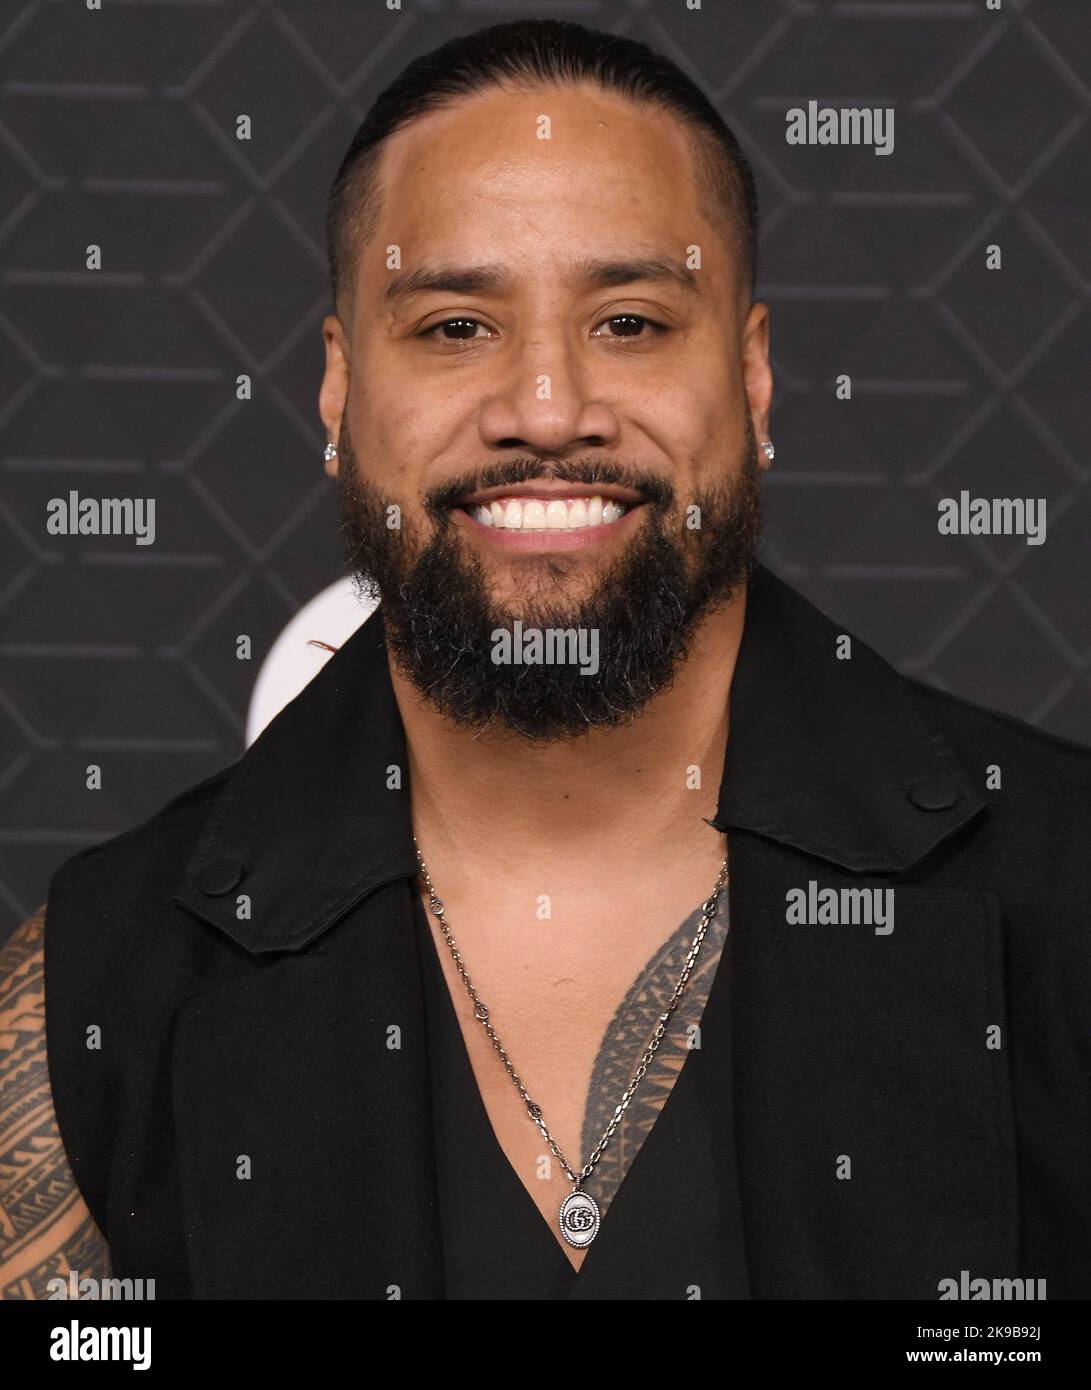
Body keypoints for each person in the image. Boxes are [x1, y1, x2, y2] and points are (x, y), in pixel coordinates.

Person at [1, 18, 1088, 1302]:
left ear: (749, 376)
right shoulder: (93, 990)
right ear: (340, 393)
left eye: (628, 321)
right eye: (456, 326)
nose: (545, 408)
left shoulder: (1065, 890)